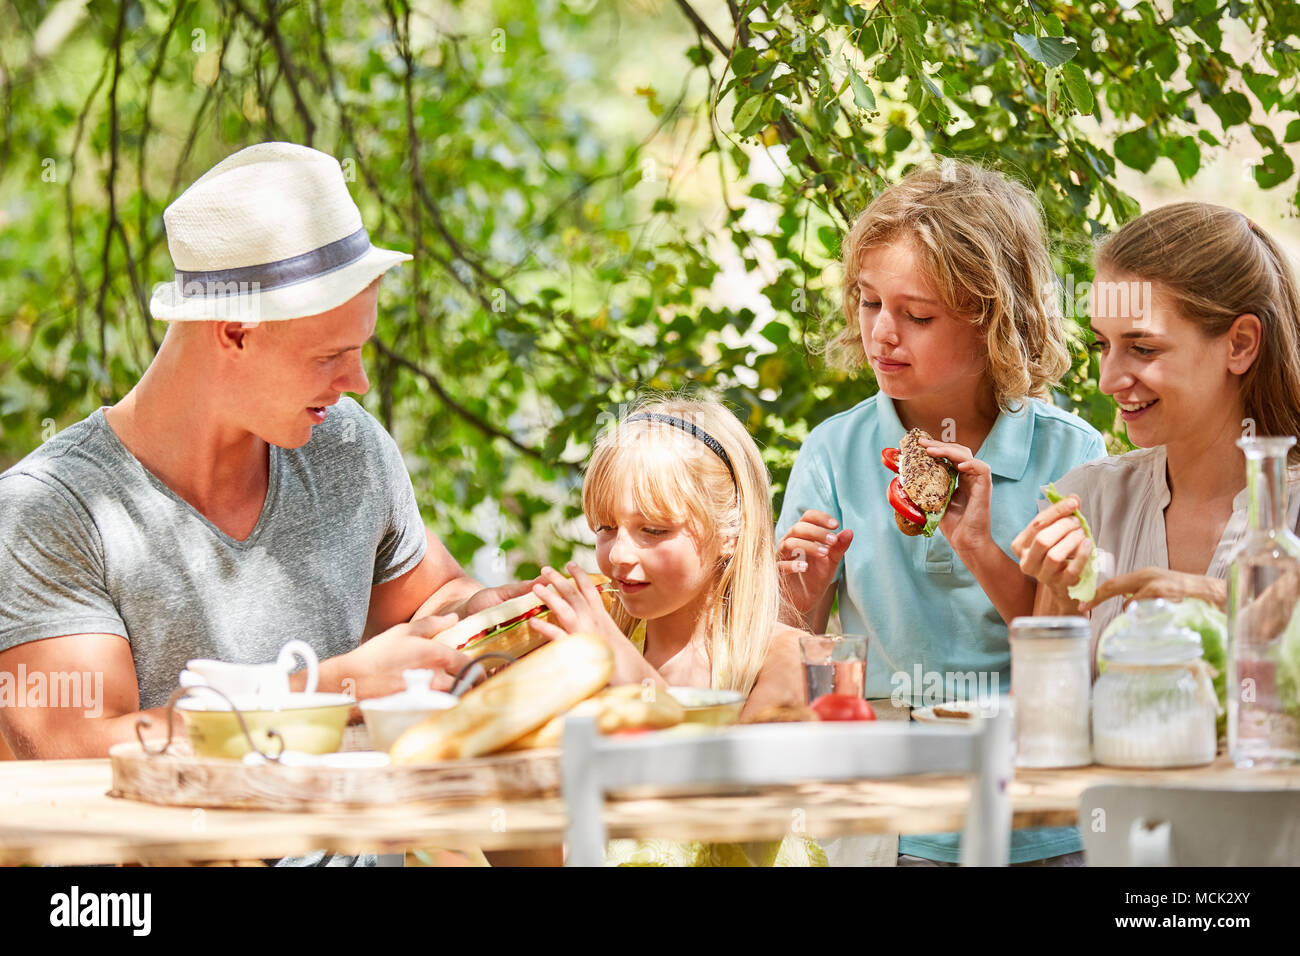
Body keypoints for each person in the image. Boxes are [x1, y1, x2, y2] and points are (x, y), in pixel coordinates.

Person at [0, 143, 530, 763]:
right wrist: (335, 688)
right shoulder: (51, 511)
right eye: (329, 356)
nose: (357, 381)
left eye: (359, 349)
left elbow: (427, 599)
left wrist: (478, 615)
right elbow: (78, 752)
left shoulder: (346, 445)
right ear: (234, 332)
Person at [776, 160, 1105, 865]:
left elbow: (1078, 654)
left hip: (1041, 819)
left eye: (917, 315)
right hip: (896, 821)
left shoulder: (1073, 453)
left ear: (994, 318)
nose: (882, 334)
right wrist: (798, 604)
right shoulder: (834, 452)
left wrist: (979, 545)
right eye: (869, 304)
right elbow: (789, 665)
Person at [529, 398, 819, 865]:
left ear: (731, 533)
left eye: (653, 530)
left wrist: (629, 675)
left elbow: (740, 828)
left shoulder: (785, 658)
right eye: (605, 528)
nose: (619, 555)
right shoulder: (578, 665)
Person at [1012, 203, 1300, 649]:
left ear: (1240, 344)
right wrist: (1059, 605)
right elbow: (1043, 714)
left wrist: (1217, 598)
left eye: (1143, 348)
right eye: (1102, 344)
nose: (1108, 381)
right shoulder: (1091, 501)